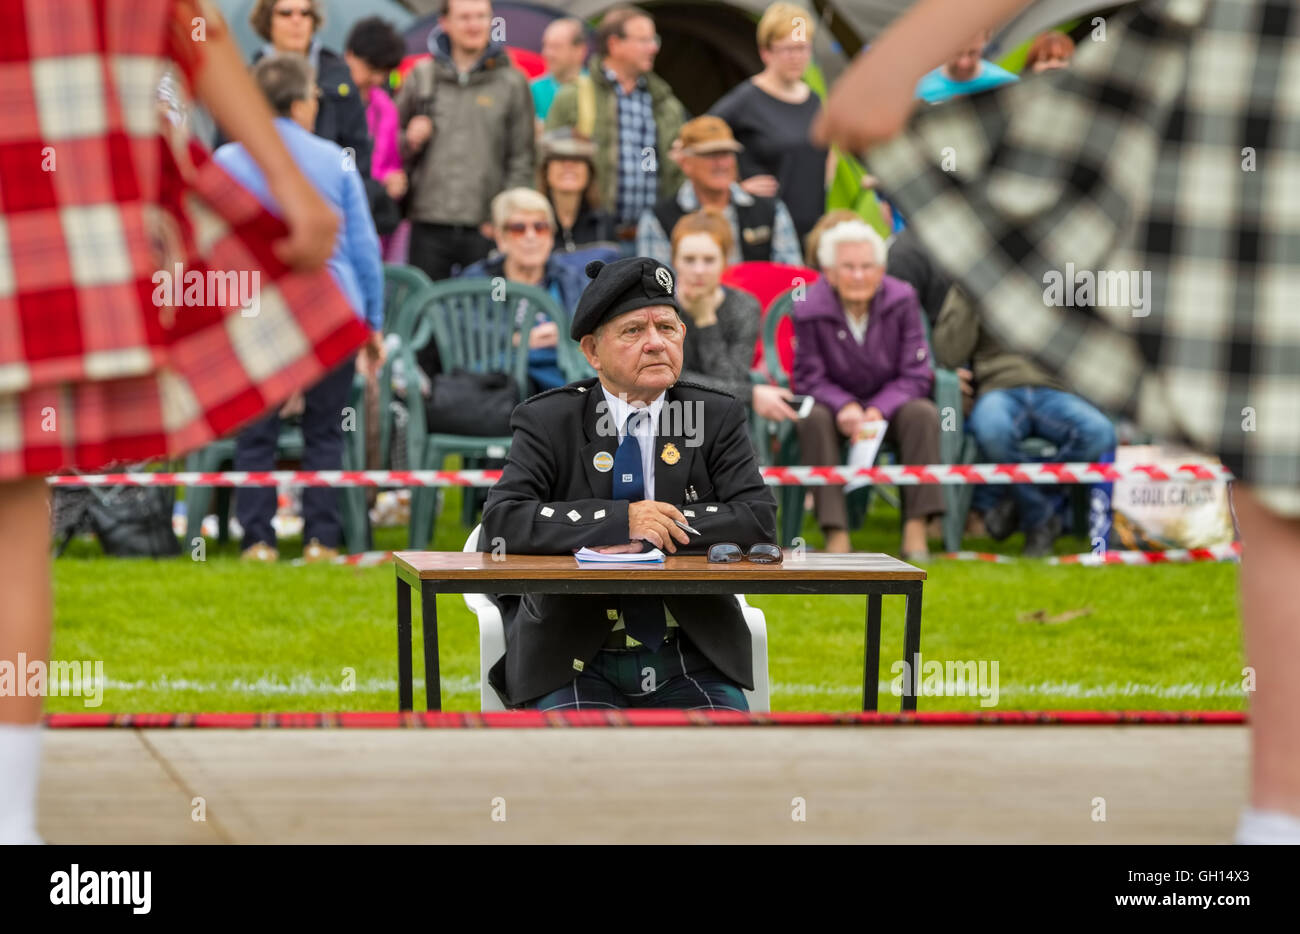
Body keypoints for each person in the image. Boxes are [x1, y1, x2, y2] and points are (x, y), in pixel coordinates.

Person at [815, 0, 1300, 845]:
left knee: (1274, 488)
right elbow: (949, 347)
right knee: (1276, 484)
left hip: (1253, 77)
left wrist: (898, 58)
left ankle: (1278, 814)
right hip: (1252, 76)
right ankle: (1279, 813)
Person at [0, 0, 366, 845]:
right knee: (13, 524)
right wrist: (285, 180)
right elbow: (192, 26)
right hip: (55, 204)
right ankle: (10, 821)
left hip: (48, 196)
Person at [480, 257, 778, 709]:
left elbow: (757, 521)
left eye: (667, 327)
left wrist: (657, 526)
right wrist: (622, 521)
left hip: (692, 654)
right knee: (580, 752)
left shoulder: (714, 416)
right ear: (592, 352)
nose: (656, 343)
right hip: (571, 657)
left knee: (722, 751)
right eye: (633, 331)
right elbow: (502, 522)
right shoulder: (549, 420)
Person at [216, 53, 385, 564]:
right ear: (297, 103)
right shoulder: (334, 158)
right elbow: (364, 249)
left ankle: (257, 541)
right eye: (313, 97)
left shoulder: (225, 160)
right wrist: (373, 323)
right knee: (325, 430)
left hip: (256, 309)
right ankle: (321, 540)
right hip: (330, 311)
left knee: (256, 430)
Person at [792, 219, 943, 558]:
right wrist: (844, 405)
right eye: (848, 267)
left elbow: (916, 373)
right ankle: (836, 532)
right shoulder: (809, 308)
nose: (858, 275)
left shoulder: (903, 299)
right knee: (811, 418)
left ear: (880, 271)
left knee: (923, 413)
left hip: (891, 403)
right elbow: (809, 377)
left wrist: (878, 409)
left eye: (867, 266)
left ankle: (916, 528)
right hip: (835, 406)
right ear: (830, 272)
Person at [933, 285, 1114, 556]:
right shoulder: (980, 281)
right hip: (999, 388)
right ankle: (1041, 514)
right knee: (992, 430)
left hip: (1055, 389)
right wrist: (965, 293)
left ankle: (1022, 502)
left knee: (1100, 433)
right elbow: (948, 355)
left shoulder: (1060, 278)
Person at [396, 0, 535, 281]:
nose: (474, 25)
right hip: (428, 222)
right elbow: (388, 146)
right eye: (464, 17)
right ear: (444, 23)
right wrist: (408, 138)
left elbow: (522, 157)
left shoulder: (512, 81)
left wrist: (504, 218)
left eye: (481, 16)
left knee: (486, 306)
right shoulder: (422, 75)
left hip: (486, 227)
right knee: (425, 303)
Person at [546, 6, 687, 244]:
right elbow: (545, 164)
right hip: (594, 237)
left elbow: (679, 172)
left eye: (654, 40)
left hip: (654, 238)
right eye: (644, 40)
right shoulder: (573, 96)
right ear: (614, 44)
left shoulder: (665, 102)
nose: (653, 48)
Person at [709, 2, 828, 241]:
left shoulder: (815, 100)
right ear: (766, 52)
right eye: (788, 49)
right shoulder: (745, 100)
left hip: (811, 232)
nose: (797, 57)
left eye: (803, 48)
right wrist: (732, 187)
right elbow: (694, 145)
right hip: (763, 234)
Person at [458, 188, 591, 394]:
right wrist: (517, 339)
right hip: (499, 386)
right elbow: (461, 327)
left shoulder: (568, 279)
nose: (531, 236)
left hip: (563, 378)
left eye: (540, 227)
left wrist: (566, 334)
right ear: (501, 238)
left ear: (551, 236)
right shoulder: (483, 279)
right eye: (518, 228)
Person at [671, 212, 799, 422]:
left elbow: (731, 380)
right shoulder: (662, 306)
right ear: (675, 261)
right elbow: (669, 380)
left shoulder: (744, 305)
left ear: (724, 261)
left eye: (709, 260)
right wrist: (751, 393)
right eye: (689, 260)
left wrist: (706, 320)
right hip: (669, 415)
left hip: (723, 418)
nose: (699, 270)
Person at [637, 116, 803, 268]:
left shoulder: (771, 210)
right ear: (685, 163)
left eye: (726, 153)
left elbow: (792, 275)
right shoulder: (658, 219)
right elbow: (656, 284)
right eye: (710, 155)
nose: (721, 163)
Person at [344, 17, 409, 207]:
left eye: (384, 72)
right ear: (349, 55)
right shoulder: (327, 97)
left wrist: (392, 181)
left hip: (371, 206)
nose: (377, 78)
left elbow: (391, 162)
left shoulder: (386, 108)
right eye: (371, 69)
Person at [536, 130, 618, 255]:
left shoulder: (602, 223)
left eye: (577, 159)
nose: (568, 165)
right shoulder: (531, 225)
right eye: (560, 158)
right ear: (545, 171)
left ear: (589, 172)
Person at [913, 28, 1017, 103]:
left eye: (973, 53)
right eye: (957, 54)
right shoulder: (919, 90)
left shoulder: (1003, 83)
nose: (964, 63)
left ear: (985, 44)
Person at [532, 17, 587, 122]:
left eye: (556, 46)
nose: (547, 53)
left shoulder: (597, 88)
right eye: (545, 45)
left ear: (579, 51)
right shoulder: (533, 90)